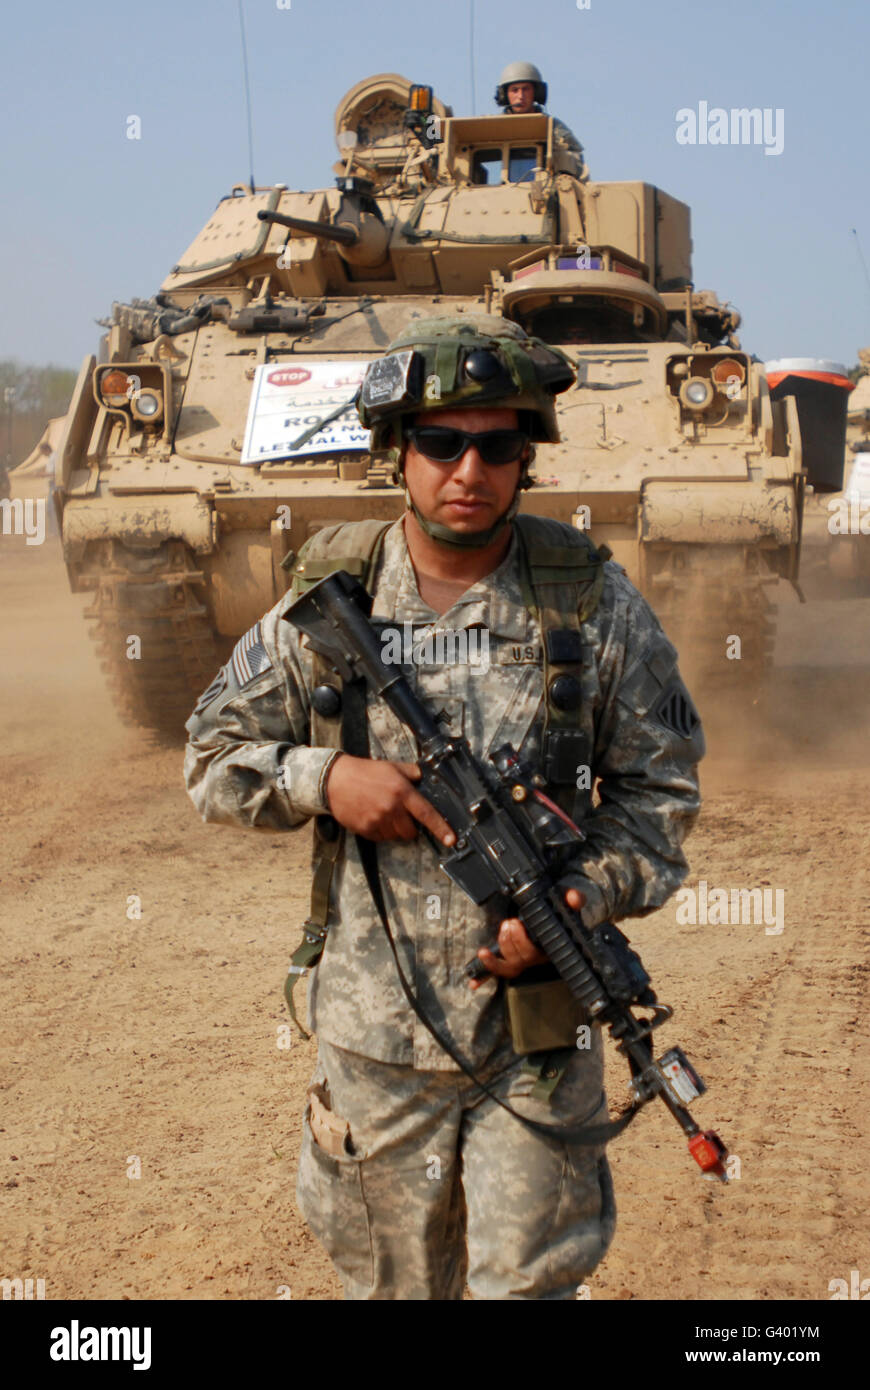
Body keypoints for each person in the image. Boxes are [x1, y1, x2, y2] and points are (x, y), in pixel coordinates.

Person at [184, 315, 704, 1301]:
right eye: (440, 442)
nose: (470, 468)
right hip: (375, 1039)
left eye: (499, 445)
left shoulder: (588, 602)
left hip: (538, 1033)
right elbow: (211, 753)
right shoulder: (329, 600)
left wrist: (584, 903)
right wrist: (322, 779)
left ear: (527, 459)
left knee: (527, 1290)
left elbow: (661, 791)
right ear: (399, 451)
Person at [494, 60, 585, 169]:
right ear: (504, 95)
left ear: (536, 93)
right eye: (515, 90)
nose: (521, 96)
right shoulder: (494, 129)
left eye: (526, 89)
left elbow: (577, 161)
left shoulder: (553, 127)